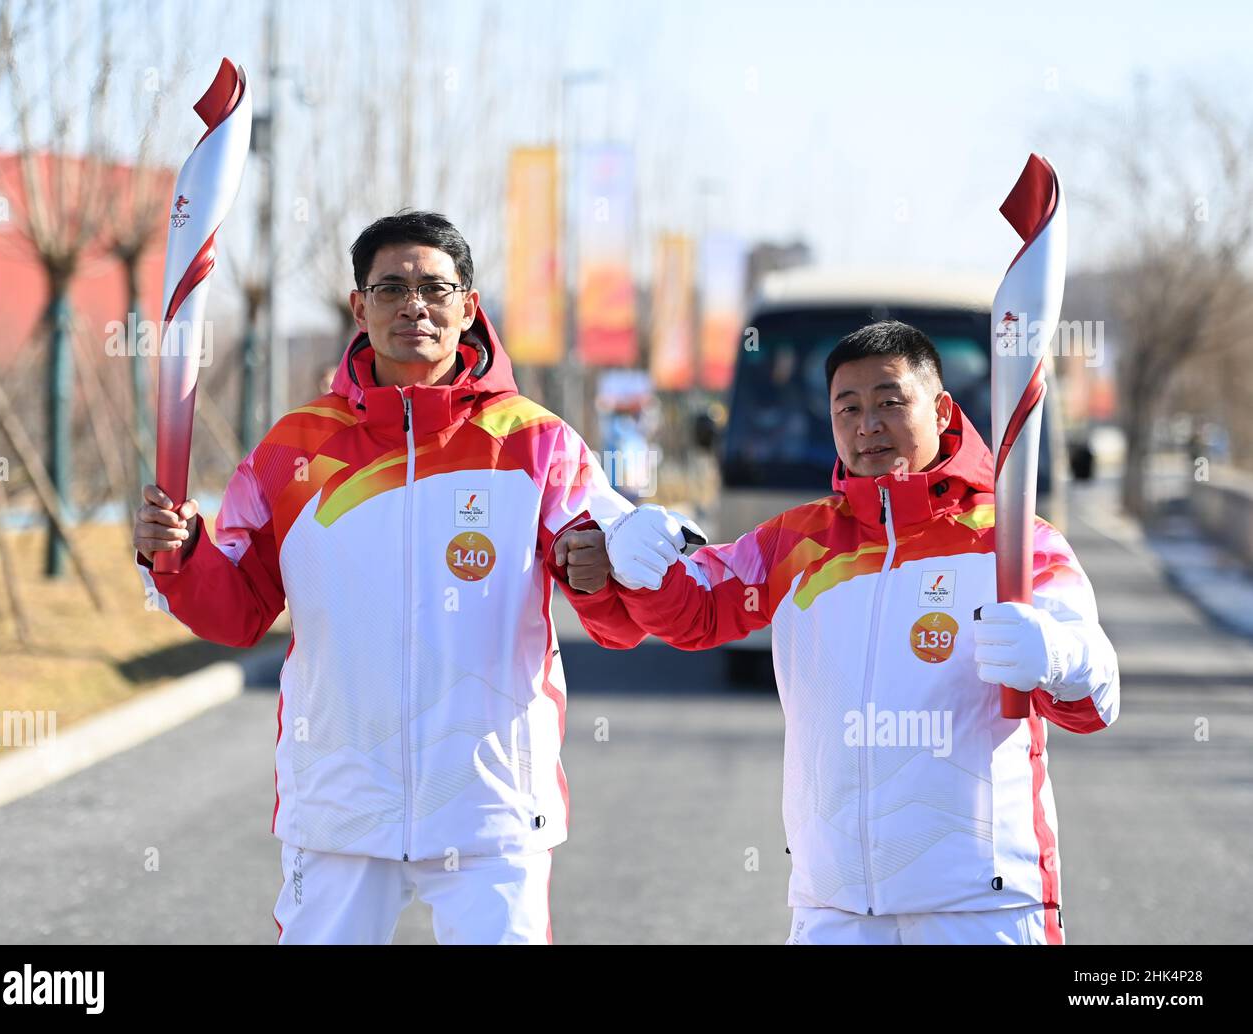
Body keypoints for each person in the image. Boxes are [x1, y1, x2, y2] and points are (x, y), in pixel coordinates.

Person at [133, 211, 643, 944]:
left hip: (489, 807)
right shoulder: (292, 450)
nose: (415, 306)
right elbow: (235, 612)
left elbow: (621, 617)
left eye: (436, 288)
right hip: (342, 805)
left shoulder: (538, 444)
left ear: (468, 306)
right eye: (392, 287)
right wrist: (180, 555)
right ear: (358, 305)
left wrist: (599, 578)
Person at [603, 320, 1120, 945]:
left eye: (889, 402)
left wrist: (1060, 655)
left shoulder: (1014, 543)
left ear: (941, 408)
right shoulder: (798, 543)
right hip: (835, 907)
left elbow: (1096, 702)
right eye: (847, 409)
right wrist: (641, 563)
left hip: (982, 906)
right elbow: (697, 610)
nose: (867, 424)